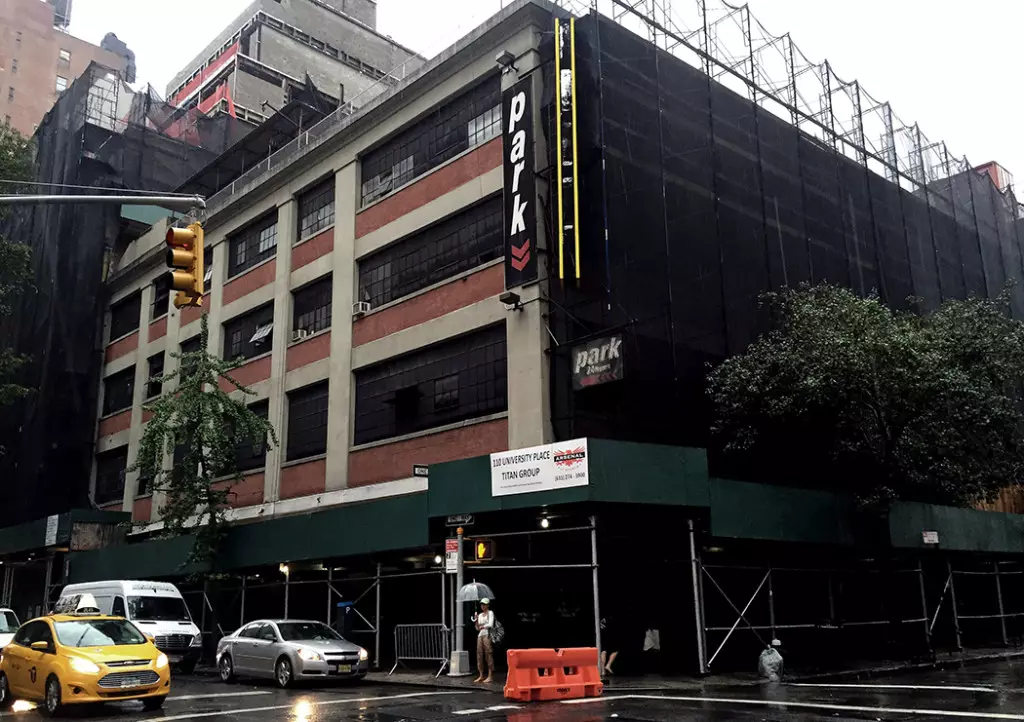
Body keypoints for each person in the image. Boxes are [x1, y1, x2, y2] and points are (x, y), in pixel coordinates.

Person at [473, 598, 495, 683]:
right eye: (482, 604)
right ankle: (481, 675)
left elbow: (490, 624)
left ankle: (490, 676)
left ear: (488, 605)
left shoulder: (490, 613)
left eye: (484, 604)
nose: (483, 606)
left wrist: (483, 626)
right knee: (479, 654)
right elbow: (477, 628)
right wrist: (476, 620)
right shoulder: (480, 615)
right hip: (480, 635)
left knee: (488, 653)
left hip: (487, 635)